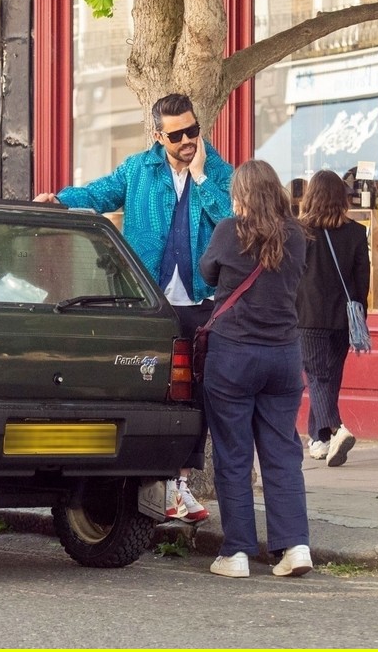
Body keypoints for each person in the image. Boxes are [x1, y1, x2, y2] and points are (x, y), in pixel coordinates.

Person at [35, 92, 234, 522]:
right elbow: (99, 194)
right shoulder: (138, 170)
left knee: (195, 396)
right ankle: (150, 485)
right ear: (159, 135)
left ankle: (179, 483)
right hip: (149, 302)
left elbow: (233, 219)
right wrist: (60, 199)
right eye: (177, 134)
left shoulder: (217, 171)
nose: (187, 140)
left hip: (202, 301)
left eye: (193, 130)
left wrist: (200, 178)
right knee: (147, 391)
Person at [199, 159, 311, 578]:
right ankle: (295, 546)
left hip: (234, 356)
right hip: (284, 356)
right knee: (283, 452)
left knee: (234, 454)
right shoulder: (297, 236)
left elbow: (207, 273)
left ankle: (238, 552)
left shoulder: (229, 231)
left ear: (242, 194)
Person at [297, 169, 369, 467]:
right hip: (343, 318)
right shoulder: (355, 232)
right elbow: (362, 278)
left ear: (311, 196)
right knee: (329, 379)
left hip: (307, 316)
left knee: (318, 378)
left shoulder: (299, 232)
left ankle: (337, 429)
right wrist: (359, 313)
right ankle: (319, 439)